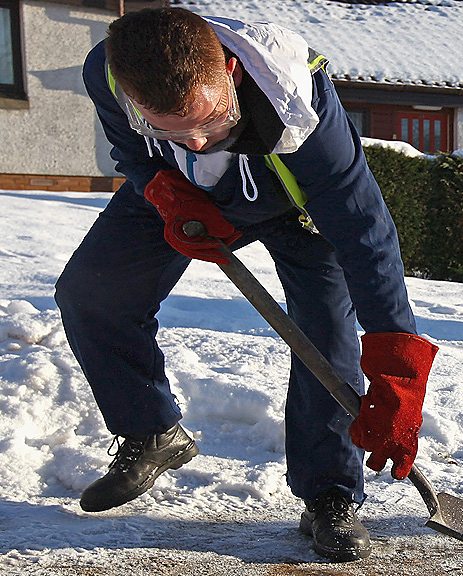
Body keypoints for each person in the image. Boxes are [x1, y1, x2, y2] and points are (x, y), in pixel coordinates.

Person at [55, 7, 438, 563]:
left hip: (295, 210)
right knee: (91, 292)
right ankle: (150, 430)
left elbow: (364, 231)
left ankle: (329, 496)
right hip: (185, 195)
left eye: (211, 121)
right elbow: (135, 152)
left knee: (326, 335)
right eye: (172, 128)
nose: (199, 140)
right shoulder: (109, 72)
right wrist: (162, 188)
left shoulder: (299, 99)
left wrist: (398, 363)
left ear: (231, 73)